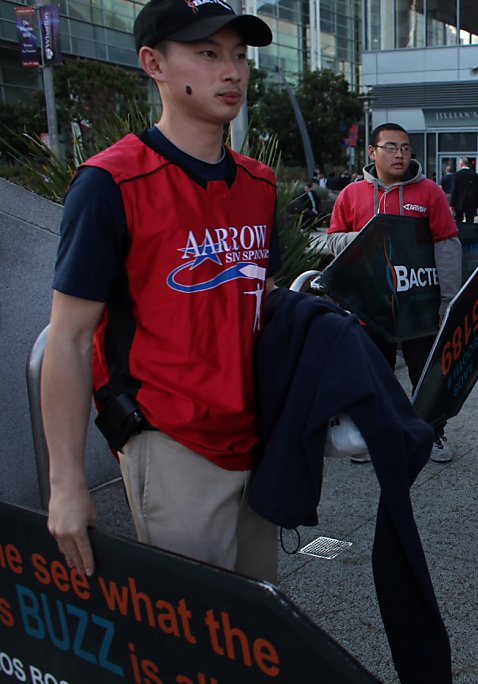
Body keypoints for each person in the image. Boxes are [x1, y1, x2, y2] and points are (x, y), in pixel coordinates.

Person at [43, 0, 279, 581]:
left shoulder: (259, 182)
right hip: (172, 438)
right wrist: (66, 483)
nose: (232, 72)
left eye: (239, 56)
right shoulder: (109, 182)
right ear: (154, 63)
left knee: (262, 623)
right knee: (198, 639)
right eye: (207, 54)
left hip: (259, 431)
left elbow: (261, 300)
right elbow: (68, 339)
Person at [323, 123, 461, 463]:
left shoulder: (429, 192)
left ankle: (433, 433)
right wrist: (365, 237)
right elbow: (331, 241)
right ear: (372, 152)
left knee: (425, 372)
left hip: (418, 304)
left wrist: (449, 299)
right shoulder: (351, 194)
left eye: (405, 147)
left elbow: (447, 244)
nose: (399, 154)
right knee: (372, 372)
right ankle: (372, 435)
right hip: (369, 305)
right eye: (390, 147)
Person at [450, 157, 478, 223]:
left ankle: (461, 233)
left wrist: (451, 204)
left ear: (461, 164)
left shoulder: (457, 175)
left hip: (458, 202)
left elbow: (454, 190)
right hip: (471, 202)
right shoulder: (475, 175)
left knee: (458, 222)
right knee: (470, 222)